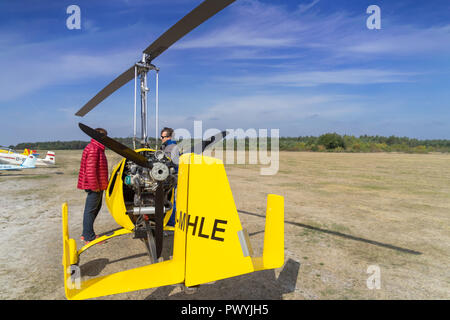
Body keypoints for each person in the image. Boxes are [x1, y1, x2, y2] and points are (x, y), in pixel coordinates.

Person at [77, 128, 109, 244]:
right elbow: (90, 170)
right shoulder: (94, 149)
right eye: (105, 136)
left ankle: (86, 232)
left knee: (96, 207)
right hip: (95, 185)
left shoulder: (97, 148)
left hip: (98, 184)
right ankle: (88, 236)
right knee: (90, 210)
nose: (106, 139)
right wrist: (94, 186)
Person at [160, 127, 178, 227]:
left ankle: (171, 223)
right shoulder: (167, 146)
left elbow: (170, 163)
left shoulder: (171, 147)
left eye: (164, 137)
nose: (162, 139)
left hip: (171, 177)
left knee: (170, 200)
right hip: (168, 177)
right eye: (161, 137)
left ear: (170, 137)